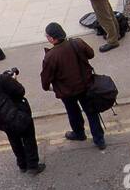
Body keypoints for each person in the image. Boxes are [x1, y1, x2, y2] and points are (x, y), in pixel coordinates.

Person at [39, 21, 105, 149]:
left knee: (73, 112)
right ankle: (99, 140)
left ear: (52, 38)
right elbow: (91, 54)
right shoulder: (77, 43)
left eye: (47, 36)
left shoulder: (51, 56)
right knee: (91, 112)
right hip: (85, 85)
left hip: (67, 91)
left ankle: (79, 133)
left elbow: (46, 78)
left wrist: (47, 87)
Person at [0, 55, 43, 172]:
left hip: (1, 118)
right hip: (18, 114)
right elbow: (20, 91)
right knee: (28, 138)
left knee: (14, 140)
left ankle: (22, 164)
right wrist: (14, 80)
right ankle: (33, 165)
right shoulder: (4, 80)